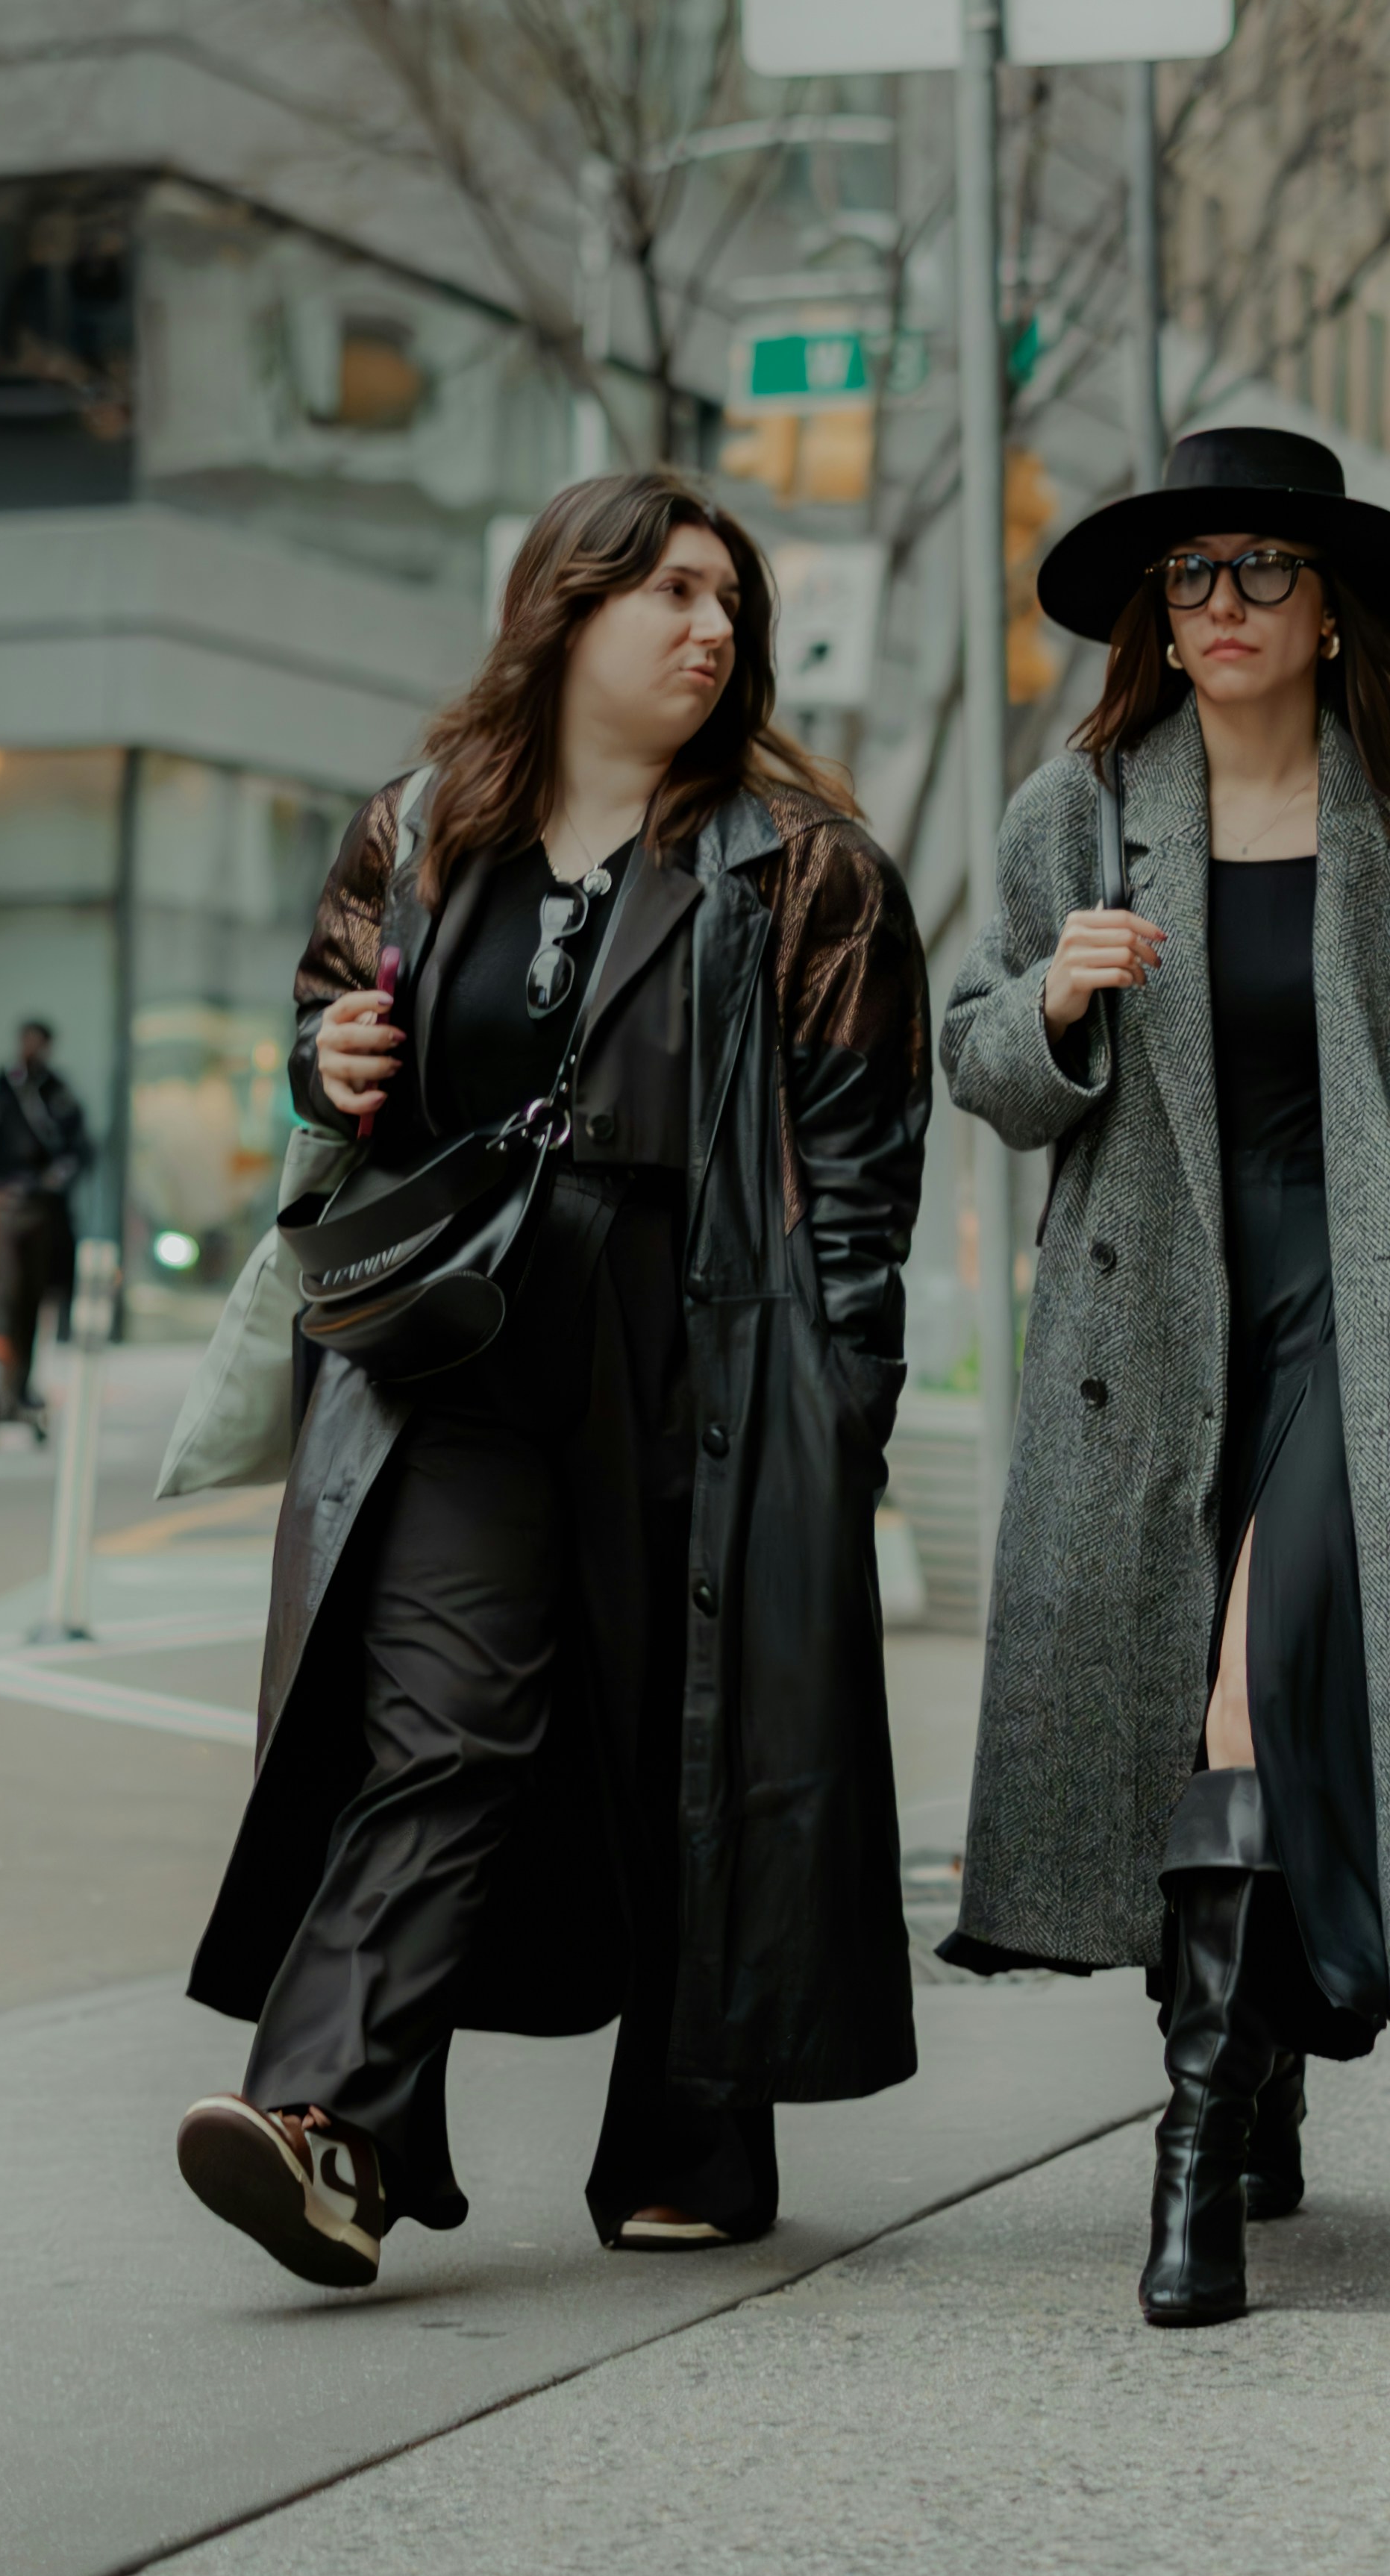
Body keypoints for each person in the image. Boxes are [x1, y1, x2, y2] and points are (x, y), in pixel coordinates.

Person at [178, 468, 931, 2293]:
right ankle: (331, 2126)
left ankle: (687, 2131)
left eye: (728, 602)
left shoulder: (798, 862)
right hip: (458, 1340)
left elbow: (857, 1169)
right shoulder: (420, 828)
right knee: (441, 1728)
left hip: (706, 1337)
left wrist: (838, 1415)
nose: (709, 627)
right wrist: (328, 1054)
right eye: (670, 590)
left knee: (691, 1737)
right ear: (564, 609)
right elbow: (329, 1032)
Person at [942, 425, 1390, 2329]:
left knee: (1247, 1690)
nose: (1218, 607)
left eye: (1258, 574)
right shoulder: (1074, 816)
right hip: (1149, 1327)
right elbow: (968, 1052)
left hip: (1348, 1323)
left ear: (1330, 608)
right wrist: (1053, 1002)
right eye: (1189, 576)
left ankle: (1190, 2158)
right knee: (1202, 1716)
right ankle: (1262, 2062)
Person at [0, 1021, 91, 1444]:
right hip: (0, 1212)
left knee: (30, 1303)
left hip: (41, 1213)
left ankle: (19, 1385)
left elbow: (79, 1150)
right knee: (3, 1302)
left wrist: (51, 1180)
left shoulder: (57, 1096)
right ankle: (3, 1385)